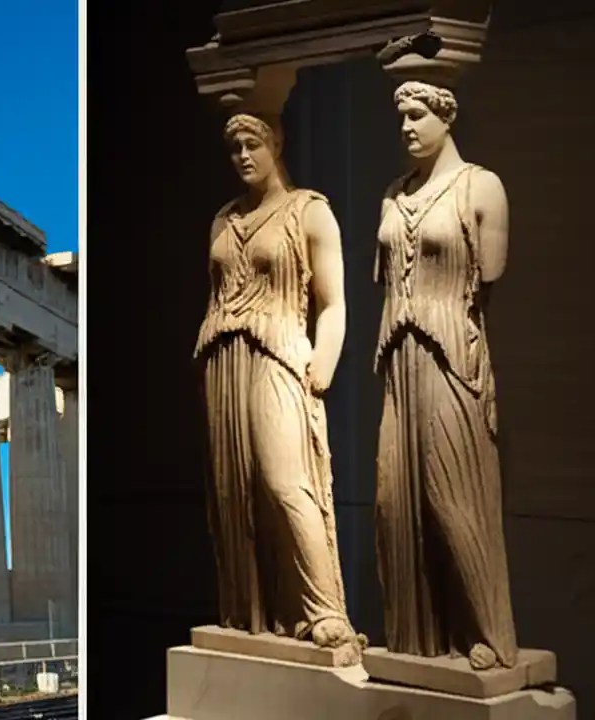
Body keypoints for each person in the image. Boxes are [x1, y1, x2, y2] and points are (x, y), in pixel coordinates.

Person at [194, 112, 360, 650]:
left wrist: (324, 361)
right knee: (232, 491)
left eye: (253, 144)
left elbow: (332, 302)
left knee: (286, 480)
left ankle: (325, 608)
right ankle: (251, 612)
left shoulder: (309, 212)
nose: (244, 155)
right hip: (224, 357)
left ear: (277, 144)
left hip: (280, 349)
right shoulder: (222, 220)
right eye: (235, 147)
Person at [373, 80, 519, 670]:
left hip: (452, 353)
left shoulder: (481, 186)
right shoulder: (393, 194)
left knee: (452, 496)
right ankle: (417, 635)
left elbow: (491, 274)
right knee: (392, 499)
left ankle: (488, 629)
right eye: (401, 116)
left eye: (417, 115)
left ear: (444, 115)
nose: (407, 126)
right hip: (398, 356)